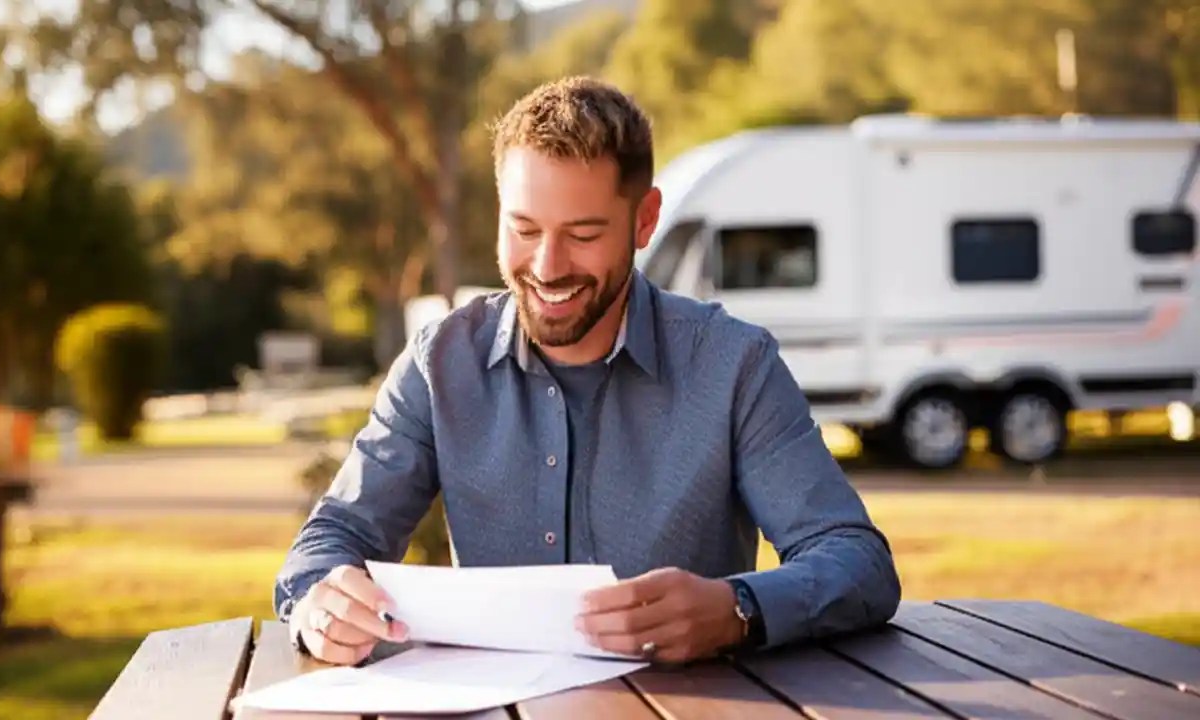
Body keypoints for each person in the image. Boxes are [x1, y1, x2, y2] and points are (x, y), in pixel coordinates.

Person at [275, 76, 901, 667]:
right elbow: (332, 540)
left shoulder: (734, 366)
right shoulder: (438, 363)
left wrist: (737, 609)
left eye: (583, 234)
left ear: (644, 220)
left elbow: (857, 561)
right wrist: (319, 605)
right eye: (524, 229)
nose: (548, 267)